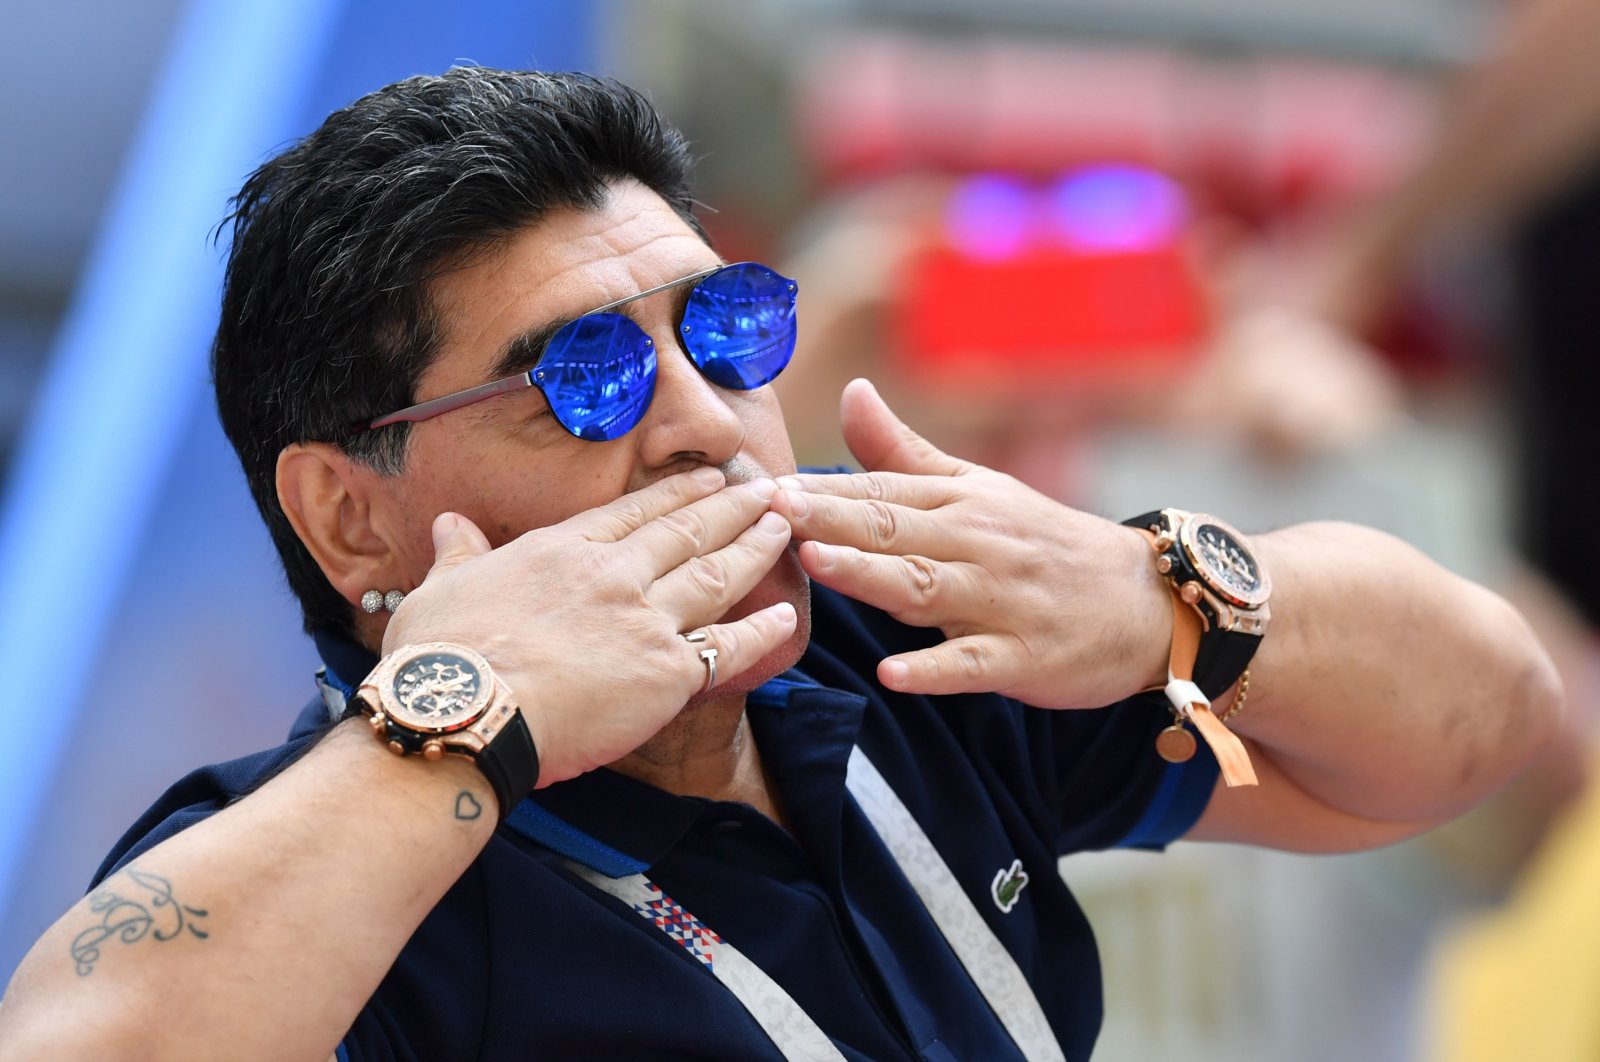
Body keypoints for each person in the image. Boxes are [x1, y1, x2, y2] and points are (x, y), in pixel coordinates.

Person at [0, 68, 1562, 1061]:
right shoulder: (336, 846)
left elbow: (1483, 727)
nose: (706, 425)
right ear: (351, 516)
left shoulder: (883, 648)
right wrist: (469, 715)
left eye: (728, 330)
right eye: (585, 379)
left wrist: (1169, 596)